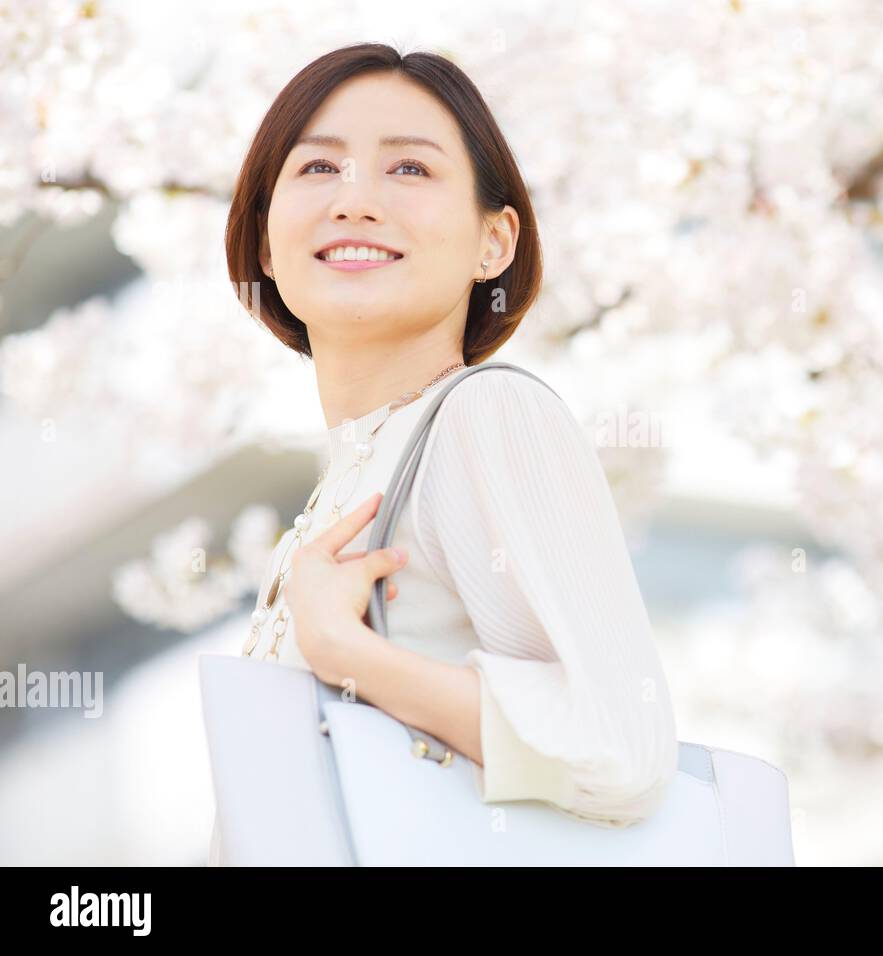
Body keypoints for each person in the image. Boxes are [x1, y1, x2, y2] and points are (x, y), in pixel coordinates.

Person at [209, 43, 678, 865]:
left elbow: (619, 741)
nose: (355, 201)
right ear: (267, 248)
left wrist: (349, 653)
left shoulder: (491, 414)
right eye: (318, 170)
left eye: (410, 171)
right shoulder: (342, 488)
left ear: (492, 243)